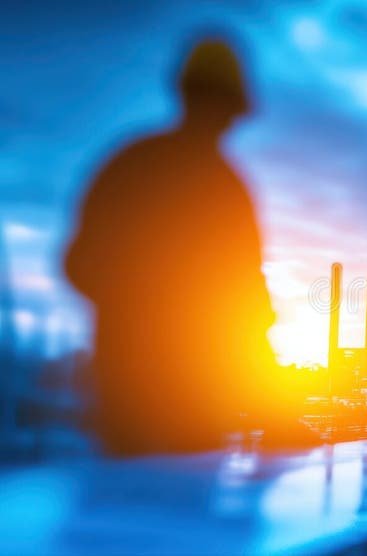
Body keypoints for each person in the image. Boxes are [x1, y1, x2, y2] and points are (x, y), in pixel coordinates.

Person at [65, 37, 312, 456]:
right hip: (194, 399)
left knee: (125, 502)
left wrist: (132, 317)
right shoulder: (225, 190)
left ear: (181, 90)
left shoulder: (129, 164)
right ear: (233, 109)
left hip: (122, 389)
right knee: (187, 504)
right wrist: (273, 412)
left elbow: (78, 264)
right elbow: (247, 308)